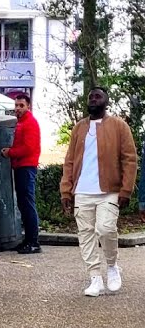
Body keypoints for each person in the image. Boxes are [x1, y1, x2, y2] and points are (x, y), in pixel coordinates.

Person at [60, 87, 139, 297]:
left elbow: (130, 160)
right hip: (83, 191)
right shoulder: (79, 128)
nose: (93, 99)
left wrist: (126, 189)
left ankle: (112, 266)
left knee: (105, 229)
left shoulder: (119, 126)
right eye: (91, 96)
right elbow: (69, 161)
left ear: (106, 101)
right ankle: (95, 277)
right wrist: (66, 191)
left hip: (109, 190)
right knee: (85, 235)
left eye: (98, 96)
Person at [2, 93, 42, 254]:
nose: (17, 108)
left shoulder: (29, 123)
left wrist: (9, 153)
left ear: (28, 106)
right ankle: (28, 240)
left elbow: (28, 148)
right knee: (24, 204)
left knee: (27, 204)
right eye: (16, 105)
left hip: (26, 167)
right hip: (21, 166)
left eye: (21, 106)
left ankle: (33, 241)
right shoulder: (21, 123)